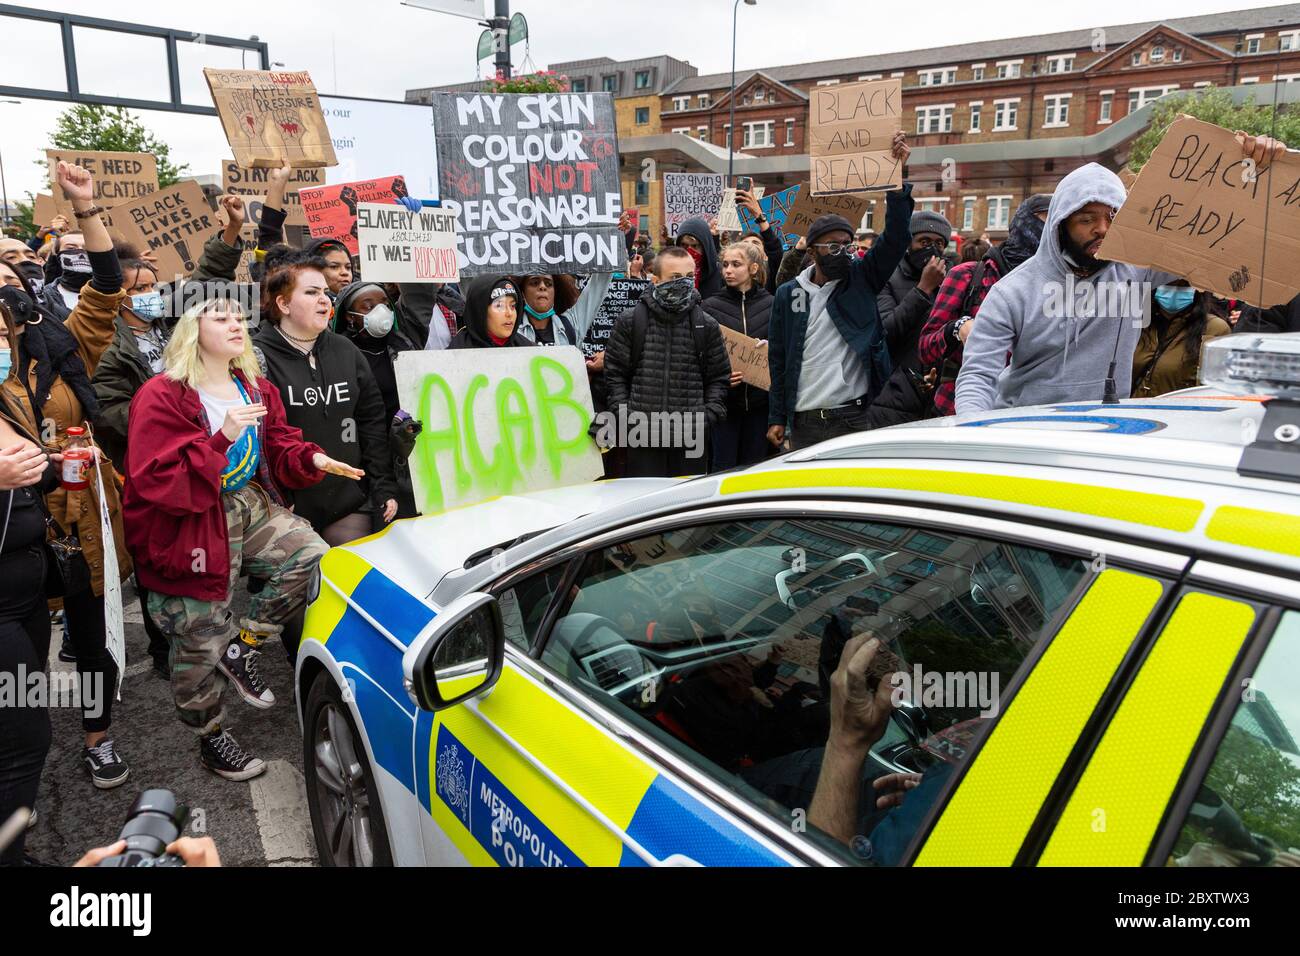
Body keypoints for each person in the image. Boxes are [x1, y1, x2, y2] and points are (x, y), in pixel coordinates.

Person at [123, 297, 356, 780]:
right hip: (185, 526)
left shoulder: (253, 385)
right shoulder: (162, 395)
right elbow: (157, 481)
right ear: (191, 327)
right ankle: (210, 737)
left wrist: (311, 459)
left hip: (243, 506)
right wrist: (222, 438)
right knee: (197, 641)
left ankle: (245, 644)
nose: (235, 324)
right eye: (220, 316)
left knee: (312, 555)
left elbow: (280, 443)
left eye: (238, 317)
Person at [956, 132, 1284, 412]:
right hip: (1028, 433)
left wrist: (1252, 167)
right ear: (1060, 223)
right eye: (1086, 219)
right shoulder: (1011, 292)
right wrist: (974, 431)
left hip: (1105, 433)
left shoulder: (1137, 269)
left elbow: (1210, 238)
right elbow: (978, 376)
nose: (1102, 229)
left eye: (1113, 217)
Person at [1, 162, 133, 790]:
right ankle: (21, 743)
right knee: (19, 649)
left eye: (16, 276)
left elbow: (107, 286)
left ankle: (97, 735)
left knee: (90, 629)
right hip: (12, 537)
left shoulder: (64, 344)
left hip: (77, 513)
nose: (10, 288)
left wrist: (86, 208)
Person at [766, 131, 914, 452]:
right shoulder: (789, 294)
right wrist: (777, 416)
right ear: (814, 251)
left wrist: (898, 182)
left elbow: (897, 238)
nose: (844, 252)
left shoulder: (861, 280)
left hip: (855, 415)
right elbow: (778, 359)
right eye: (834, 245)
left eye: (848, 244)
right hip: (804, 420)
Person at [253, 262, 398, 547]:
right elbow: (258, 440)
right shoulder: (256, 356)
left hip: (348, 498)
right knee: (305, 585)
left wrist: (383, 486)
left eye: (324, 292)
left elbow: (371, 423)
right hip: (287, 507)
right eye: (310, 292)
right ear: (283, 303)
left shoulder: (345, 350)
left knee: (353, 578)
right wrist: (276, 499)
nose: (324, 299)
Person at [0, 301, 60, 864]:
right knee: (25, 737)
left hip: (27, 591)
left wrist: (59, 462)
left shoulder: (6, 397)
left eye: (1, 332)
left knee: (17, 725)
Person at [603, 246, 731, 478]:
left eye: (689, 277)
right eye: (675, 277)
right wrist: (627, 417)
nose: (683, 283)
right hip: (642, 437)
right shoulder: (631, 321)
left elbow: (719, 378)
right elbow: (614, 375)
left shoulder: (707, 325)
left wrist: (705, 418)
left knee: (687, 509)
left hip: (691, 439)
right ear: (656, 279)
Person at [917, 195, 1050, 416]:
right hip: (959, 410)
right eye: (1044, 221)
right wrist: (957, 328)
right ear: (1022, 222)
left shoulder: (1057, 285)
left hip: (1025, 414)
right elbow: (925, 349)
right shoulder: (968, 276)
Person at [864, 210, 952, 429]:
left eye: (939, 243)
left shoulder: (951, 280)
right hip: (891, 398)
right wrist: (923, 289)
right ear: (908, 243)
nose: (932, 249)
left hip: (935, 398)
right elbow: (885, 332)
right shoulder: (887, 277)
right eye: (924, 241)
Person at [703, 241, 773, 470]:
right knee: (722, 469)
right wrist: (719, 375)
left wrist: (770, 349)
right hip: (725, 407)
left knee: (755, 470)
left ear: (753, 269)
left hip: (760, 406)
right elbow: (699, 354)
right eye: (724, 265)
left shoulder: (772, 305)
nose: (728, 270)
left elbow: (785, 352)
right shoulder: (709, 307)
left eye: (736, 264)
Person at [1132, 282, 1230, 398]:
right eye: (1167, 284)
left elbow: (1216, 390)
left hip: (1179, 413)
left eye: (1183, 286)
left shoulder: (1215, 329)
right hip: (1130, 411)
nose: (1173, 292)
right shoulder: (1136, 323)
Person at [449, 276, 532, 348]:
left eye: (513, 306)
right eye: (499, 306)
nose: (509, 313)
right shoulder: (457, 353)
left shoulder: (529, 349)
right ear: (480, 311)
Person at [735, 189, 786, 295]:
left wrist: (759, 215)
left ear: (765, 256)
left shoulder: (772, 273)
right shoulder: (730, 274)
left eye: (755, 243)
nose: (750, 246)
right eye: (745, 243)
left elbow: (774, 248)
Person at [37, 230, 90, 322]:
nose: (80, 252)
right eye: (70, 249)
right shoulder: (42, 298)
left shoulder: (116, 296)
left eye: (88, 248)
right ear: (57, 256)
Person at [674, 217, 725, 299]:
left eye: (694, 246)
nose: (689, 251)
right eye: (684, 245)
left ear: (704, 246)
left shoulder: (720, 273)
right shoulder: (671, 272)